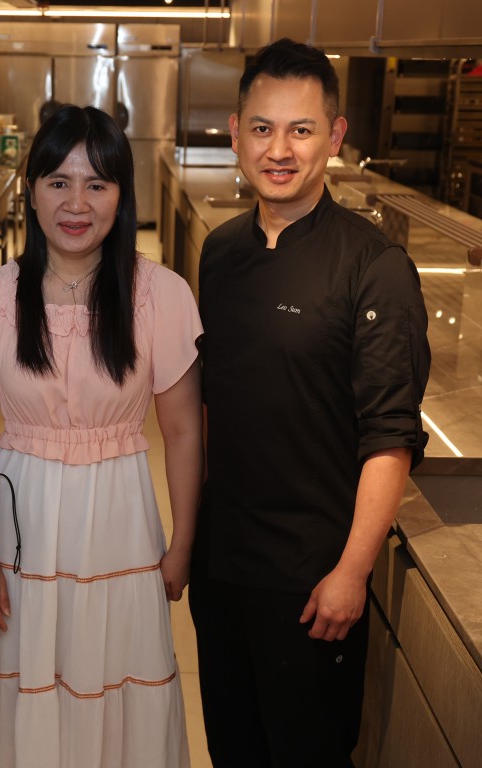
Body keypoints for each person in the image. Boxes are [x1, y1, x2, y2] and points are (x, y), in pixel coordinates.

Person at [0, 104, 202, 767]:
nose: (76, 203)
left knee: (110, 688)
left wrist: (182, 544)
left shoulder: (161, 295)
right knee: (24, 695)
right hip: (18, 526)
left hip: (119, 523)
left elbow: (184, 429)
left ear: (121, 195)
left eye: (96, 184)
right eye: (58, 182)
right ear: (31, 191)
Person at [190, 38, 431, 767]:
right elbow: (215, 404)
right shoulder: (221, 252)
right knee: (234, 750)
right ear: (236, 133)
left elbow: (390, 437)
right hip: (222, 568)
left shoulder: (375, 267)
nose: (279, 150)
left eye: (301, 129)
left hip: (312, 582)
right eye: (262, 128)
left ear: (335, 135)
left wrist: (352, 573)